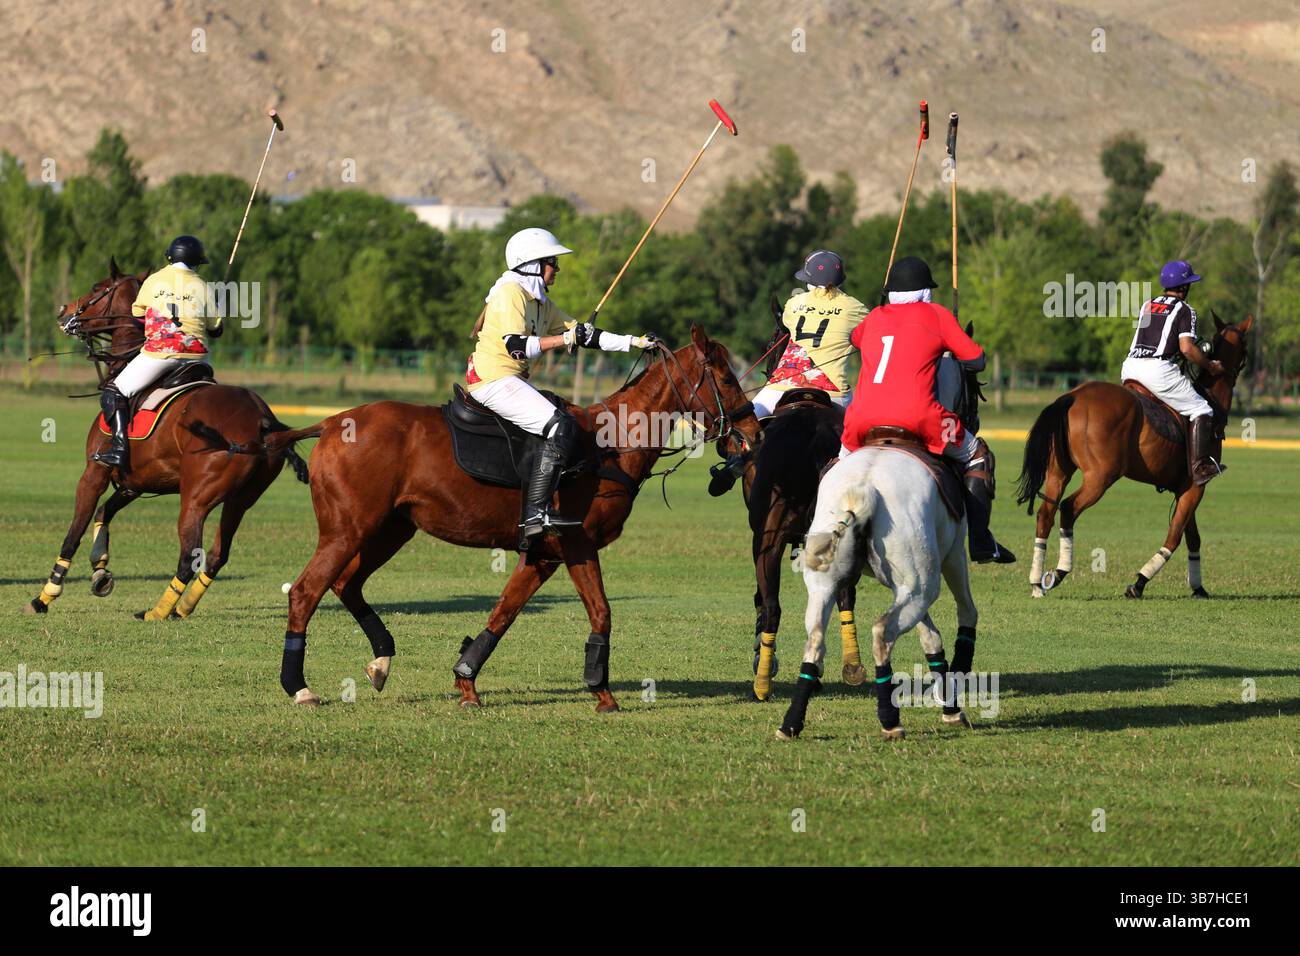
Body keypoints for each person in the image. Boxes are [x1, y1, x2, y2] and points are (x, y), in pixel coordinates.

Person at [467, 227, 654, 548]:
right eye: (552, 261)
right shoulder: (511, 293)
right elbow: (516, 346)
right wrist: (564, 339)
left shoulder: (540, 301)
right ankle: (535, 514)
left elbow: (584, 333)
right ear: (532, 264)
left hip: (509, 380)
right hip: (493, 380)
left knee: (565, 419)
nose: (557, 268)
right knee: (561, 425)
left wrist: (634, 341)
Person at [839, 255, 1015, 564]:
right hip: (920, 418)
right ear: (925, 292)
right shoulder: (936, 314)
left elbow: (855, 340)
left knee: (837, 469)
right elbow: (977, 361)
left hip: (860, 421)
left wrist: (881, 313)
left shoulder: (875, 317)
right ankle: (981, 541)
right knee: (979, 455)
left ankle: (817, 530)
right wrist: (951, 334)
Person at [708, 250, 866, 495]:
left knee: (746, 425)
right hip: (832, 391)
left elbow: (786, 328)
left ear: (809, 280)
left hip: (781, 386)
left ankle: (736, 464)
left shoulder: (795, 304)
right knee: (864, 437)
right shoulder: (855, 308)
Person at [93, 235, 219, 470]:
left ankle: (119, 449)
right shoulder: (203, 286)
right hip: (197, 358)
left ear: (170, 257)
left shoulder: (154, 281)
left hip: (160, 355)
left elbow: (137, 315)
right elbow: (216, 328)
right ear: (196, 262)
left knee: (114, 392)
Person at [1120, 260, 1225, 485]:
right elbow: (1187, 349)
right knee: (1201, 409)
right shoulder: (1185, 310)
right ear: (1184, 287)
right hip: (1157, 370)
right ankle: (1199, 468)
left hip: (1130, 367)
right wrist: (1209, 365)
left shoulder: (1148, 305)